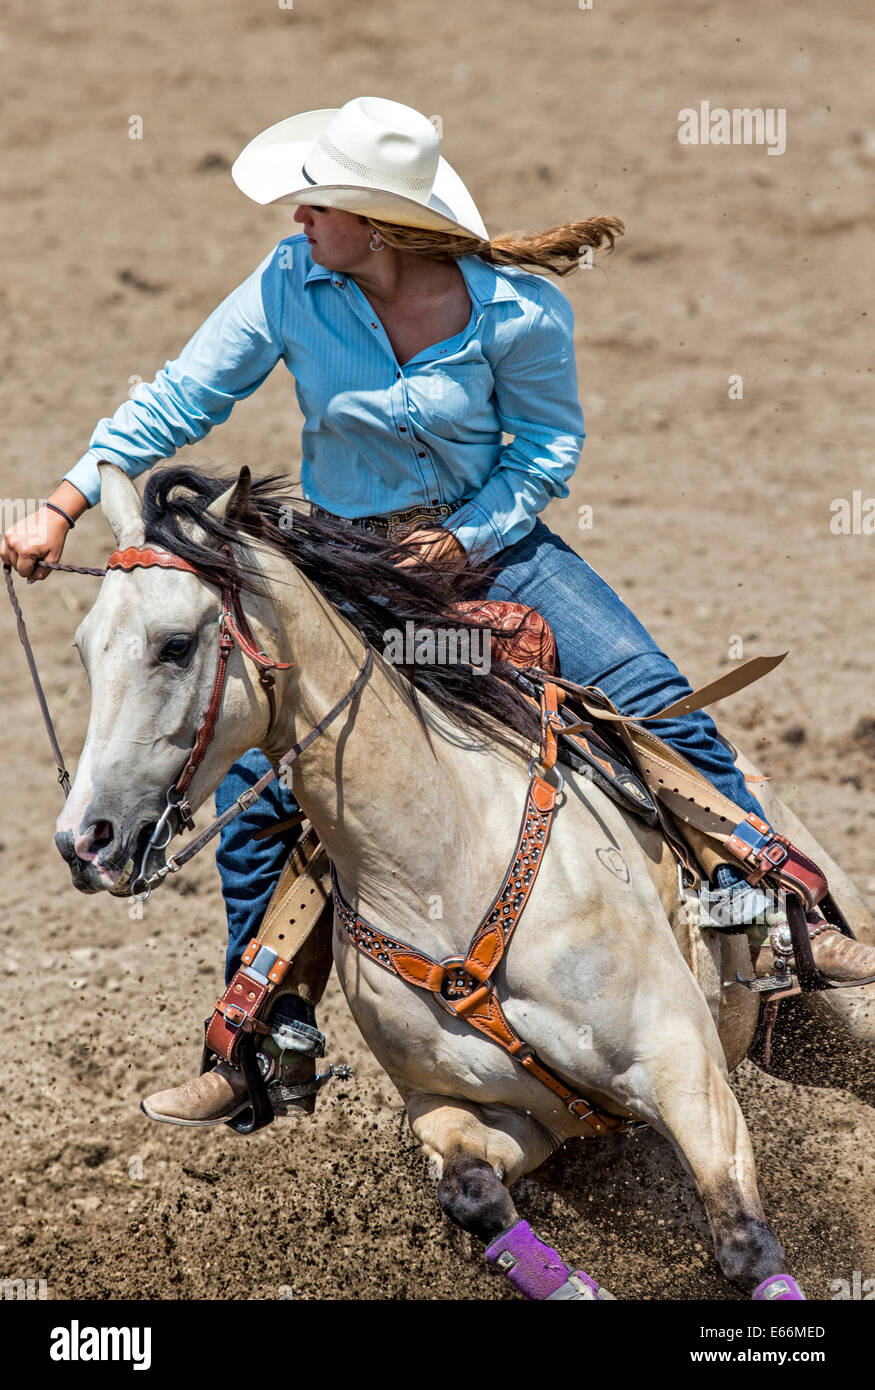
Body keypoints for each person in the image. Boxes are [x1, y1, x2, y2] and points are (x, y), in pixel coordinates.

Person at [3, 97, 868, 1126]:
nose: (296, 220)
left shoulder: (516, 313)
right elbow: (180, 397)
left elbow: (543, 453)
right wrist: (60, 505)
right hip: (341, 565)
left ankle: (778, 909)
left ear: (374, 225)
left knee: (653, 701)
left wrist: (463, 535)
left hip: (496, 553)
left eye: (315, 204)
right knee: (258, 788)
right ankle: (259, 1032)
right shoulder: (291, 285)